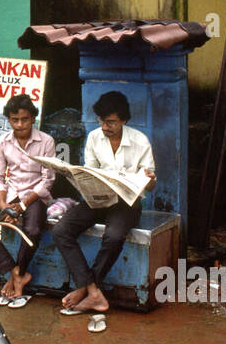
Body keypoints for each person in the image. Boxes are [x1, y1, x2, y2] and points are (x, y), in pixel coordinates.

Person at [52, 90, 156, 317]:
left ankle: (87, 289)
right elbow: (89, 172)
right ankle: (91, 289)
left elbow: (149, 184)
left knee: (114, 236)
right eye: (101, 121)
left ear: (124, 120)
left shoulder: (140, 141)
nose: (105, 127)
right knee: (61, 230)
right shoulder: (94, 138)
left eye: (111, 122)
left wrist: (148, 180)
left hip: (126, 204)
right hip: (97, 200)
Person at [0, 93, 56, 307]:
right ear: (9, 120)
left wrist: (21, 206)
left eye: (25, 119)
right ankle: (14, 272)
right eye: (14, 120)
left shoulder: (46, 141)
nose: (20, 125)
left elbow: (47, 180)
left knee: (33, 230)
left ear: (33, 119)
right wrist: (3, 205)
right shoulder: (3, 141)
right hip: (10, 195)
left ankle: (18, 273)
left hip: (35, 196)